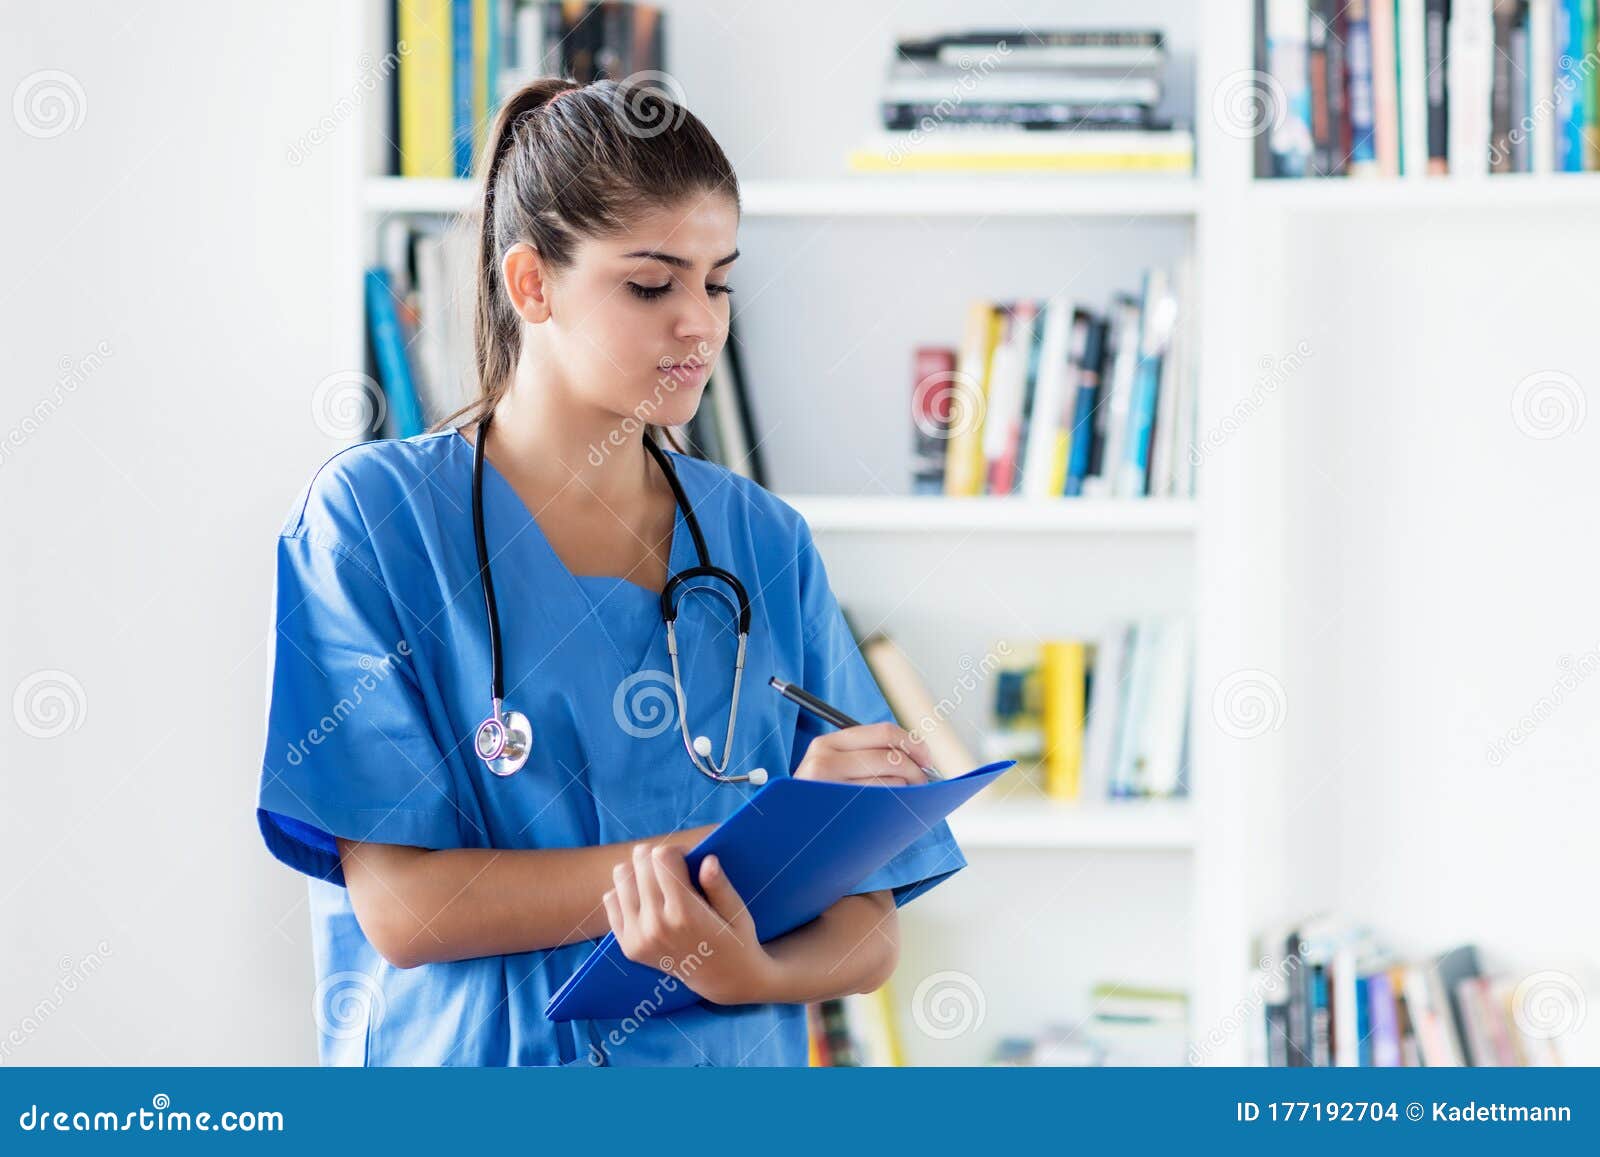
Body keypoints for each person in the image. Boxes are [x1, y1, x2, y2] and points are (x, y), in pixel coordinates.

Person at [256, 77, 967, 1066]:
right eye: (650, 283)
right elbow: (407, 907)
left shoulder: (760, 538)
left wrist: (751, 965)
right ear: (530, 283)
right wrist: (748, 850)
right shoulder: (373, 523)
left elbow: (869, 927)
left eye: (716, 281)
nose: (700, 324)